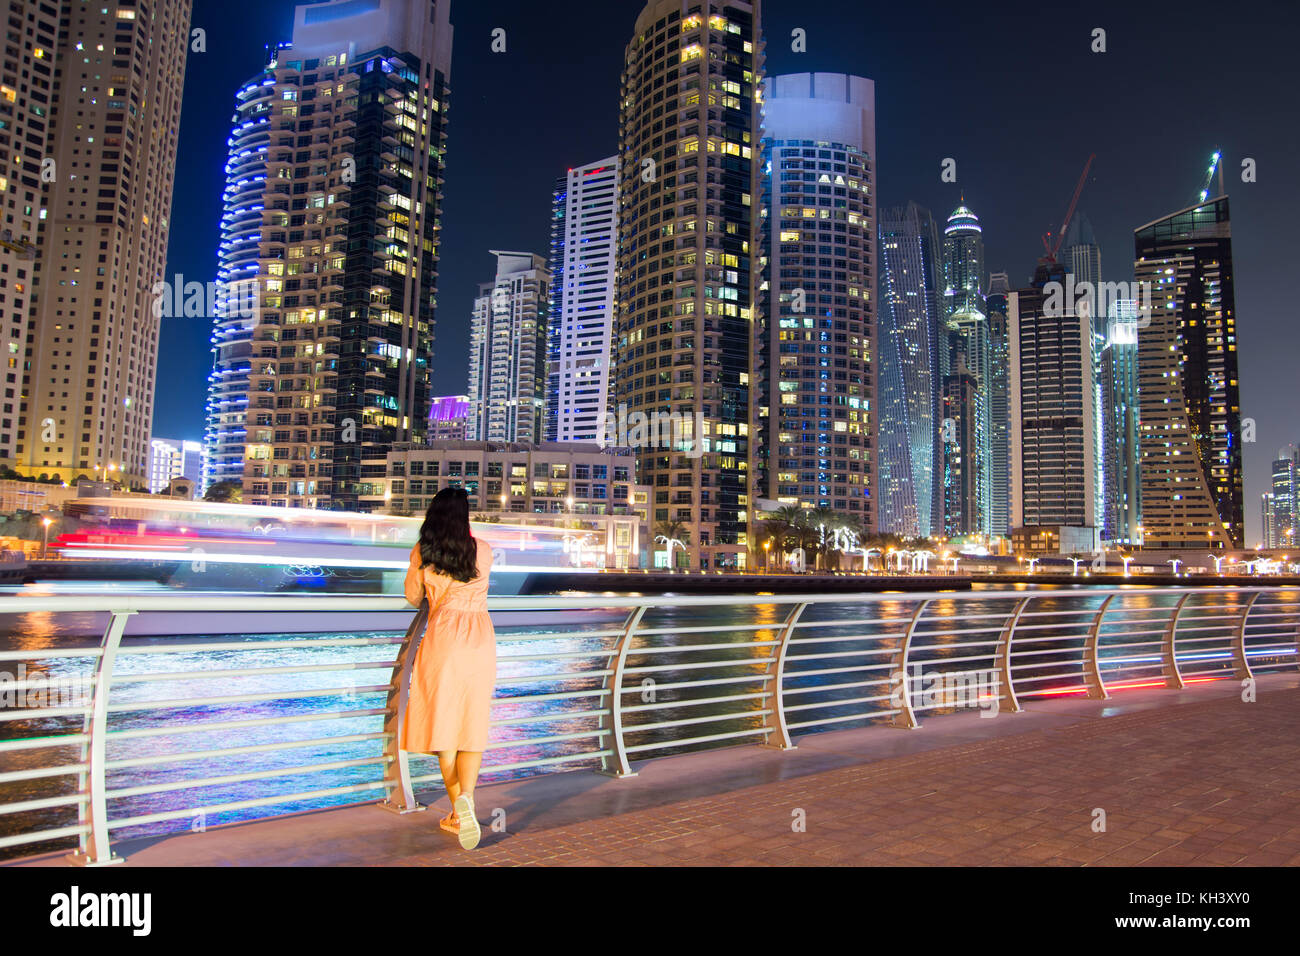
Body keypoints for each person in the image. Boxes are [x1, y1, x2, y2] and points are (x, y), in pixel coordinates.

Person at [402, 488, 496, 850]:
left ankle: (458, 810)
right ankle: (466, 801)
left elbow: (412, 598)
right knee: (472, 721)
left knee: (443, 723)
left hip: (443, 636)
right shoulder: (483, 550)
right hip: (479, 636)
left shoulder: (422, 553)